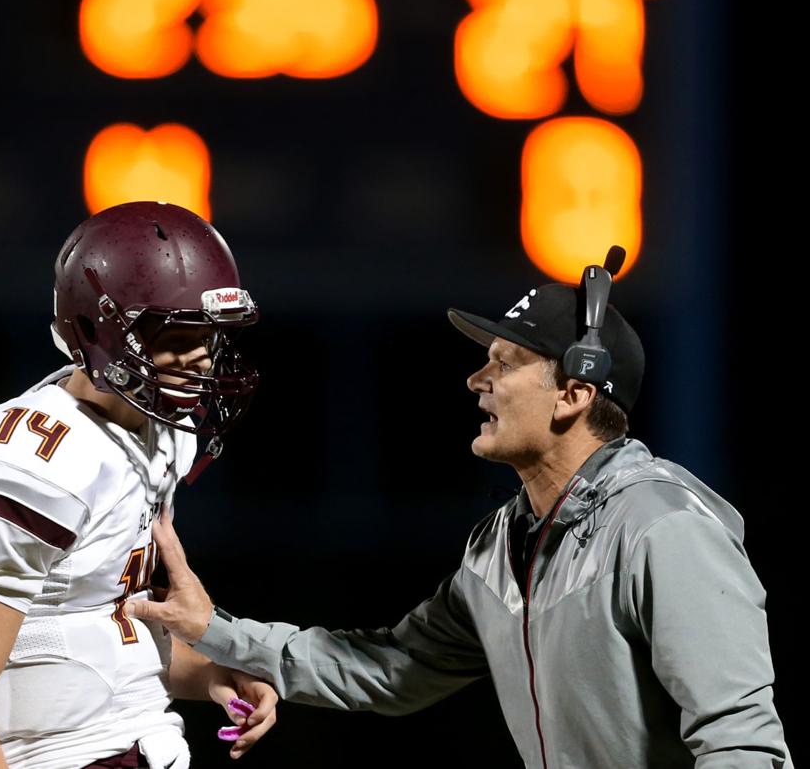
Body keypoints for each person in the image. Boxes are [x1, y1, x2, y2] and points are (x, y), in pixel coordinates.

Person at [128, 276, 793, 767]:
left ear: (575, 392)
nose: (477, 378)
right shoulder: (504, 539)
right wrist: (214, 629)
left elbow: (742, 743)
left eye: (504, 362)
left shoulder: (664, 526)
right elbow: (391, 667)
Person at [0, 202, 277, 769]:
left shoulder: (159, 436)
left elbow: (106, 630)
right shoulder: (34, 460)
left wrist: (215, 671)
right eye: (174, 336)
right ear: (93, 331)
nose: (201, 358)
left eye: (208, 336)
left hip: (142, 744)